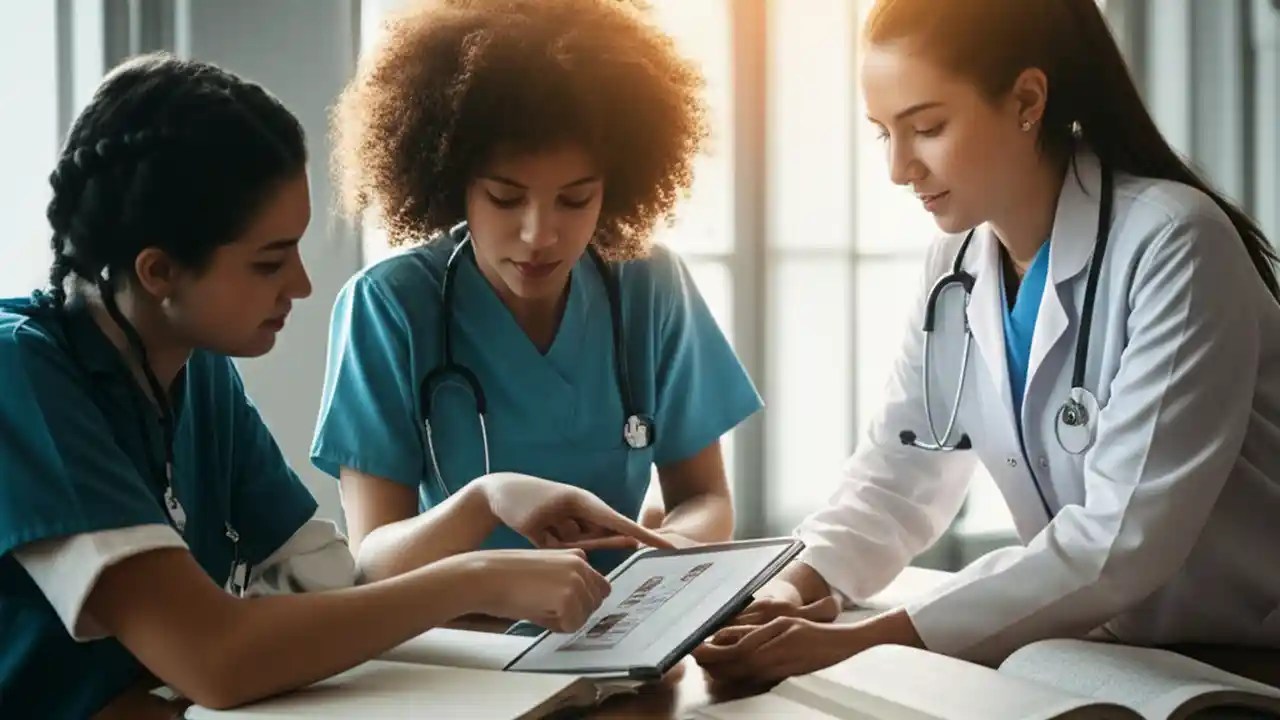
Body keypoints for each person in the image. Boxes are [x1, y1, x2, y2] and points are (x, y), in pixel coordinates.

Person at [0, 53, 668, 718]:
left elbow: (332, 590)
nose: (301, 285)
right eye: (269, 263)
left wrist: (484, 502)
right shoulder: (18, 373)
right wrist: (476, 578)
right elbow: (214, 658)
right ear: (159, 273)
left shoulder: (196, 370)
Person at [694, 0, 1280, 684]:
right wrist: (789, 587)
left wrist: (864, 640)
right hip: (1119, 654)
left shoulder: (1175, 243)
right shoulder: (957, 267)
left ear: (1027, 100)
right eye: (883, 133)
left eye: (927, 128)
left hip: (1249, 654)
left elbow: (1123, 537)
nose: (898, 169)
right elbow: (897, 477)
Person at [314, 0, 762, 581]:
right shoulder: (389, 306)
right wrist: (484, 504)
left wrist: (667, 551)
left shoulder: (650, 286)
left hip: (617, 618)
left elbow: (705, 498)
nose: (539, 235)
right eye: (505, 198)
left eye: (575, 200)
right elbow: (373, 560)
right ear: (452, 182)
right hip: (462, 628)